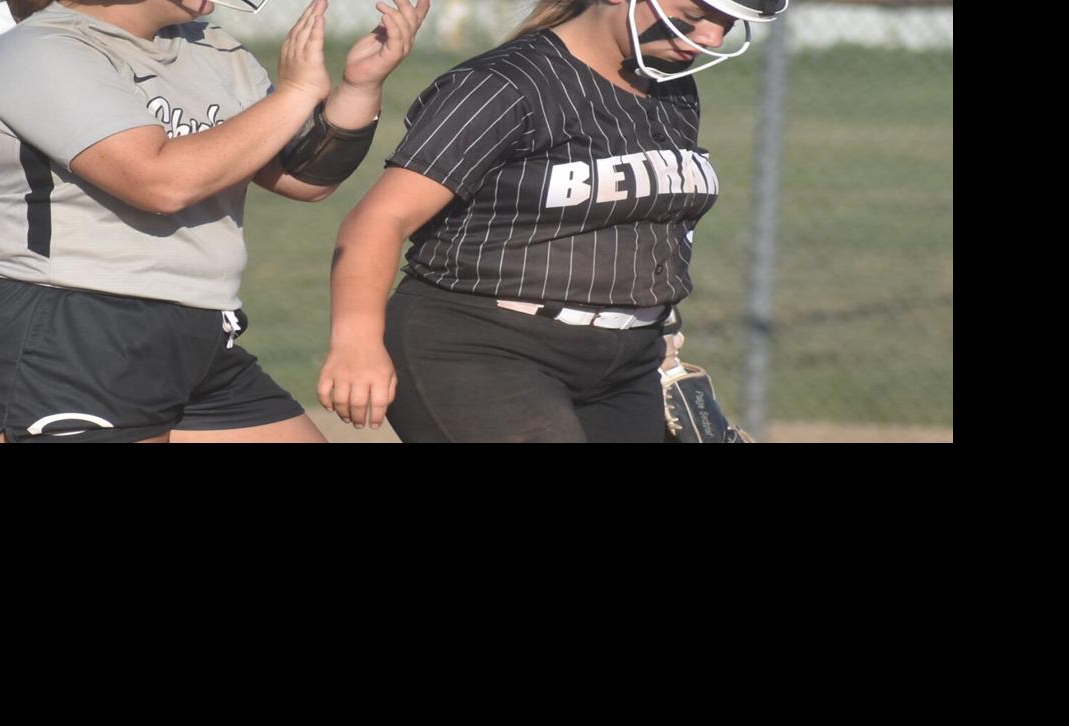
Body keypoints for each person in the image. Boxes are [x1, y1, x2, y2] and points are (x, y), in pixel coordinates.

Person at [0, 0, 430, 442]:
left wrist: (358, 88)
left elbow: (304, 178)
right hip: (65, 331)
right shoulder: (40, 50)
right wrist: (295, 94)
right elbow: (160, 183)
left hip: (193, 332)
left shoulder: (210, 45)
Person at [319, 0, 788, 442]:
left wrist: (661, 339)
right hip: (479, 345)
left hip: (628, 360)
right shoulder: (505, 84)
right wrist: (356, 341)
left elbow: (651, 225)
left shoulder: (671, 86)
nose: (710, 37)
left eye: (727, 24)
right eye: (692, 14)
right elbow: (380, 217)